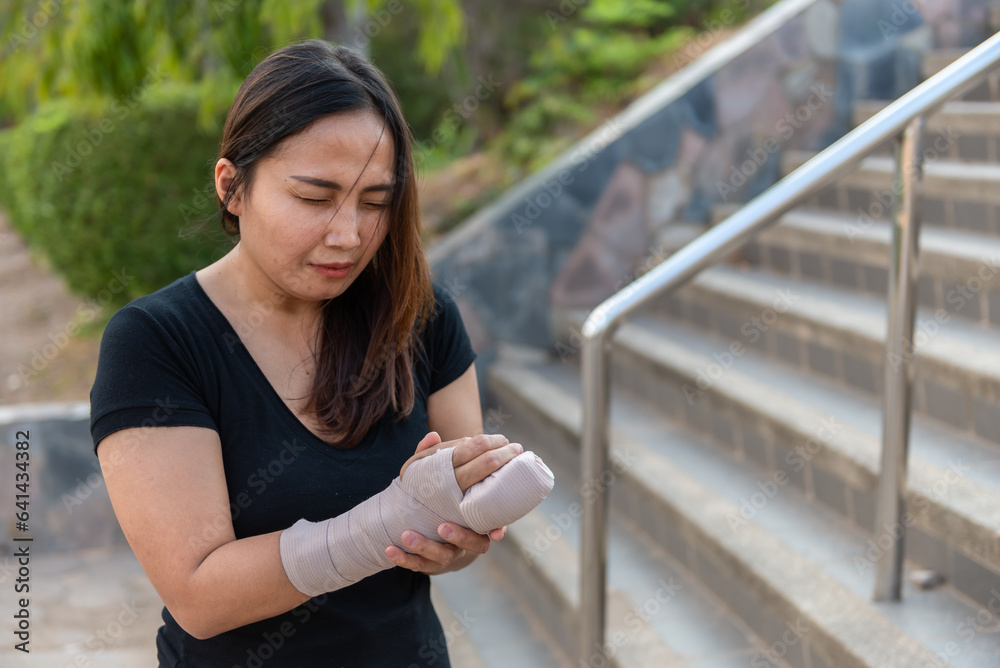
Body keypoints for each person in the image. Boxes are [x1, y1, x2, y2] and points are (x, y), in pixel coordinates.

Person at [89, 39, 552, 667]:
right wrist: (390, 520)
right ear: (232, 187)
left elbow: (458, 526)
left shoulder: (420, 314)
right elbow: (199, 594)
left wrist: (456, 535)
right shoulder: (157, 342)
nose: (349, 235)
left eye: (375, 203)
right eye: (314, 198)